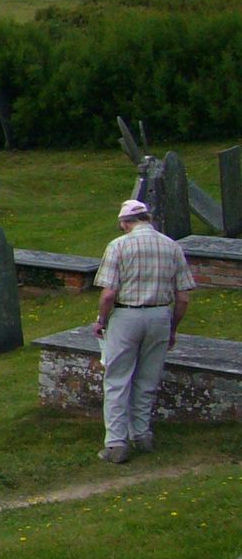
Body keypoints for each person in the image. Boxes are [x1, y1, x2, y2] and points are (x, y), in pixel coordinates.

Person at [91, 198, 193, 462]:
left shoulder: (118, 246)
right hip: (160, 315)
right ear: (148, 219)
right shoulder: (172, 246)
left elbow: (108, 294)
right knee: (147, 379)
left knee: (117, 379)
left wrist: (102, 320)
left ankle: (116, 444)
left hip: (127, 315)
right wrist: (172, 328)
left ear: (125, 223)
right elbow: (183, 298)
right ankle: (141, 435)